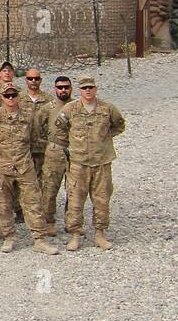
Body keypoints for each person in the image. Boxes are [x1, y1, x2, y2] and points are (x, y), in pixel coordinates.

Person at [0, 83, 59, 255]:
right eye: (7, 96)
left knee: (33, 202)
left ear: (18, 96)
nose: (11, 98)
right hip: (1, 168)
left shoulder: (28, 117)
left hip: (24, 167)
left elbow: (35, 138)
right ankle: (8, 237)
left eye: (13, 95)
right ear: (2, 97)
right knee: (2, 204)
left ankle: (39, 239)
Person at [54, 75, 126, 251]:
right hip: (78, 162)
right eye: (84, 88)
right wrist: (71, 146)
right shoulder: (70, 109)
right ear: (79, 90)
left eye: (90, 87)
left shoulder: (107, 108)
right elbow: (59, 128)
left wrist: (103, 139)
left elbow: (119, 125)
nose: (88, 90)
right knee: (75, 199)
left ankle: (100, 234)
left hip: (102, 162)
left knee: (102, 198)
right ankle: (75, 235)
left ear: (95, 89)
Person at [40, 75, 74, 231]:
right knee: (50, 188)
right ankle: (48, 221)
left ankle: (72, 221)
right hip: (54, 152)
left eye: (66, 87)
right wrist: (46, 143)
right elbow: (36, 126)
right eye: (60, 87)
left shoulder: (77, 106)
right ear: (55, 89)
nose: (63, 90)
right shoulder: (49, 107)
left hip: (75, 152)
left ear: (71, 88)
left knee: (74, 188)